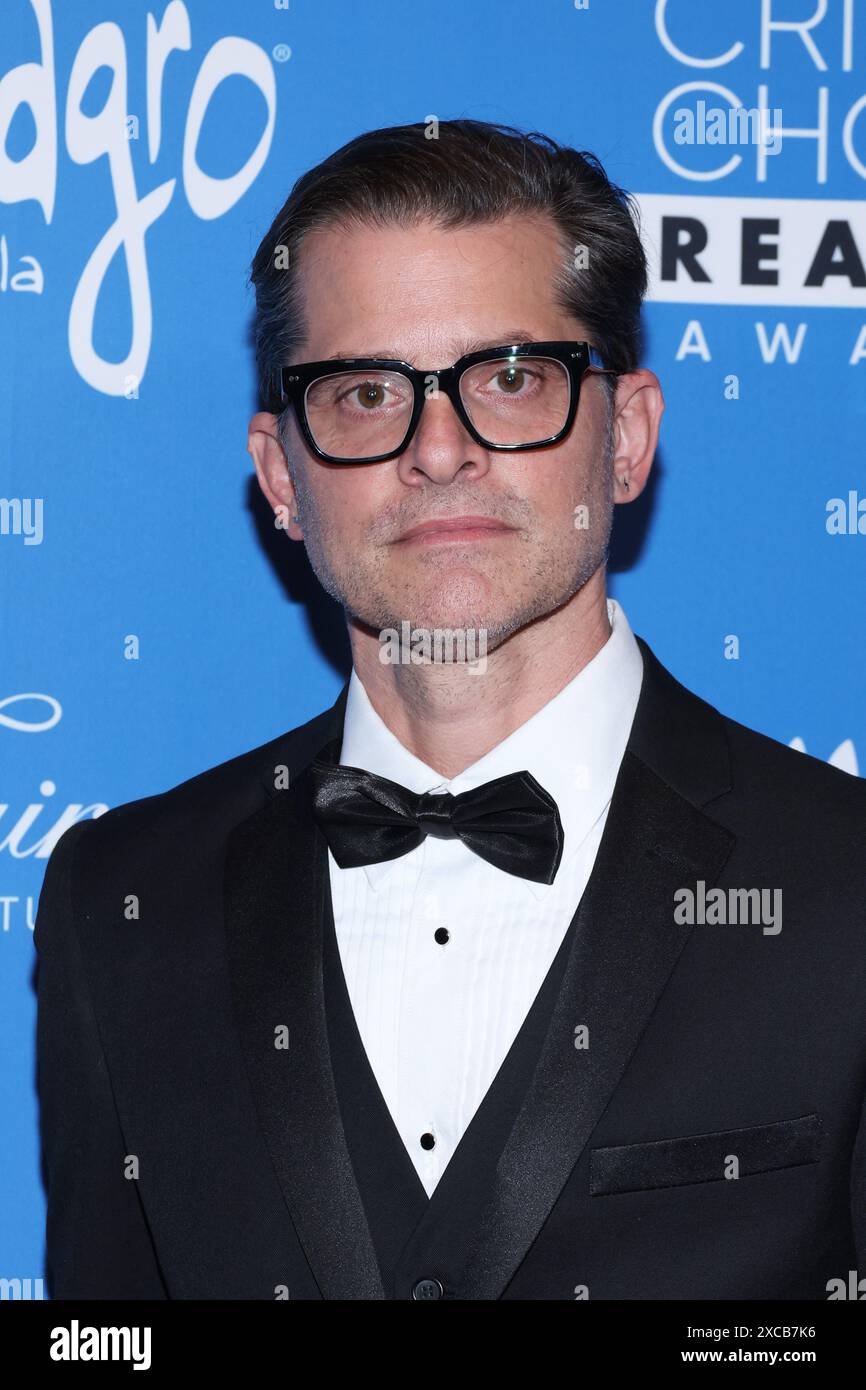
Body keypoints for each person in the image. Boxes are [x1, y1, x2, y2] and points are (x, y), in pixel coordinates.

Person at [35, 120, 866, 1300]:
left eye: (511, 378)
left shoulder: (846, 884)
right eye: (367, 391)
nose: (438, 449)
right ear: (281, 475)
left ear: (623, 438)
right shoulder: (120, 900)